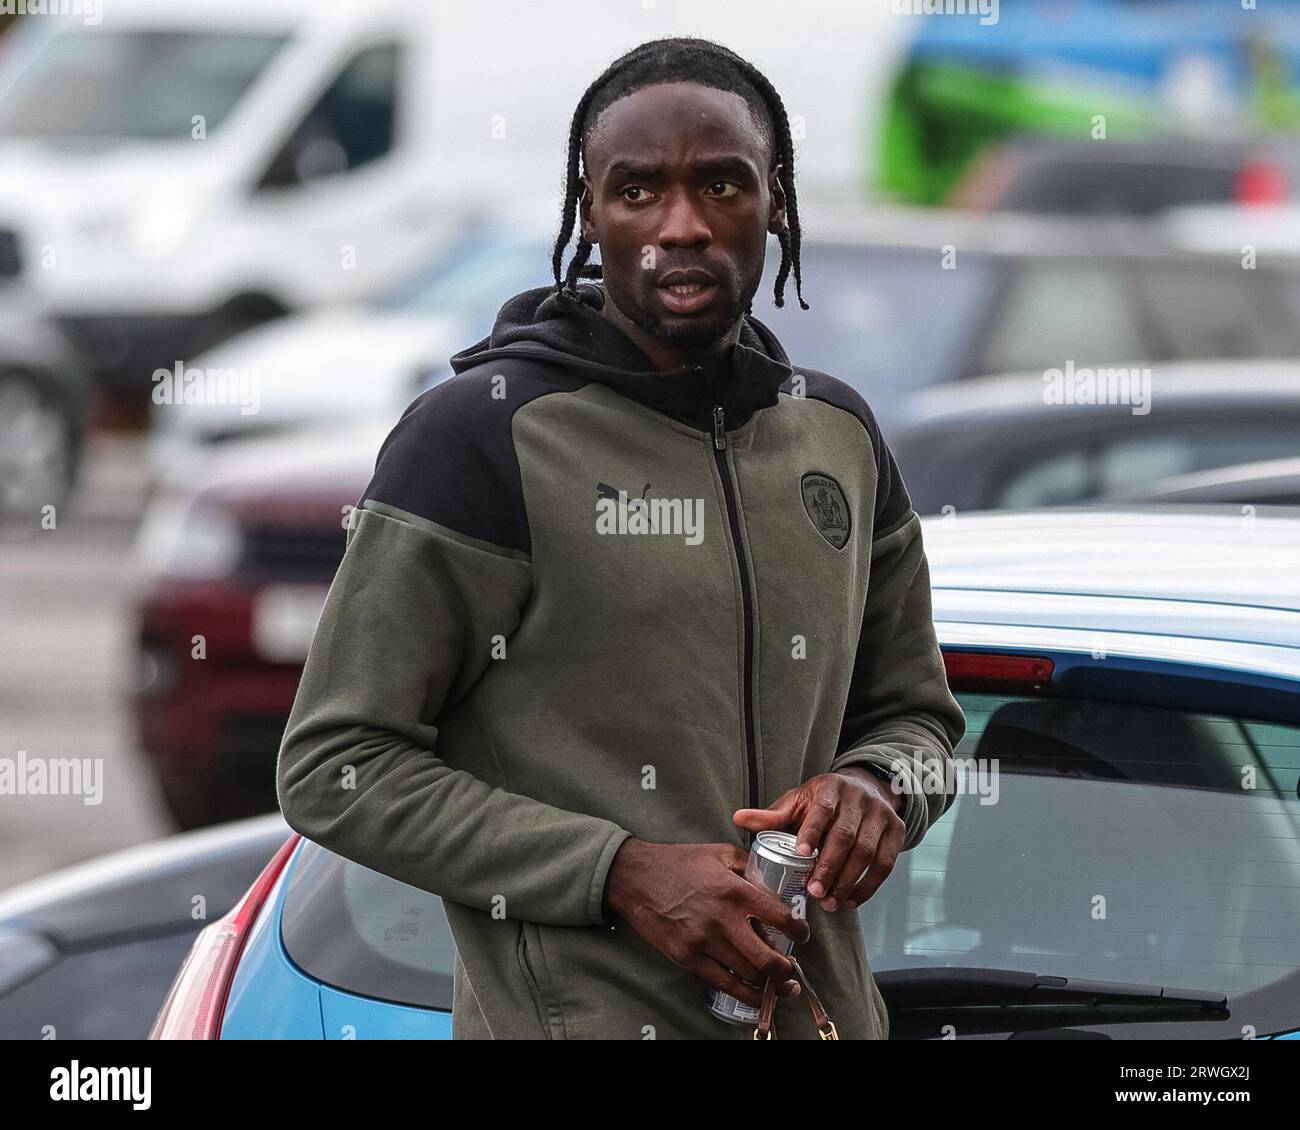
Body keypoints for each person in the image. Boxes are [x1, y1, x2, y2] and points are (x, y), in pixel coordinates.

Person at [276, 35, 966, 1040]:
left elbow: (923, 719)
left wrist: (878, 786)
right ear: (588, 213)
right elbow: (337, 762)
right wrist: (618, 870)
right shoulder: (481, 437)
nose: (681, 225)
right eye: (637, 191)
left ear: (775, 201)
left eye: (722, 184)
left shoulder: (839, 436)